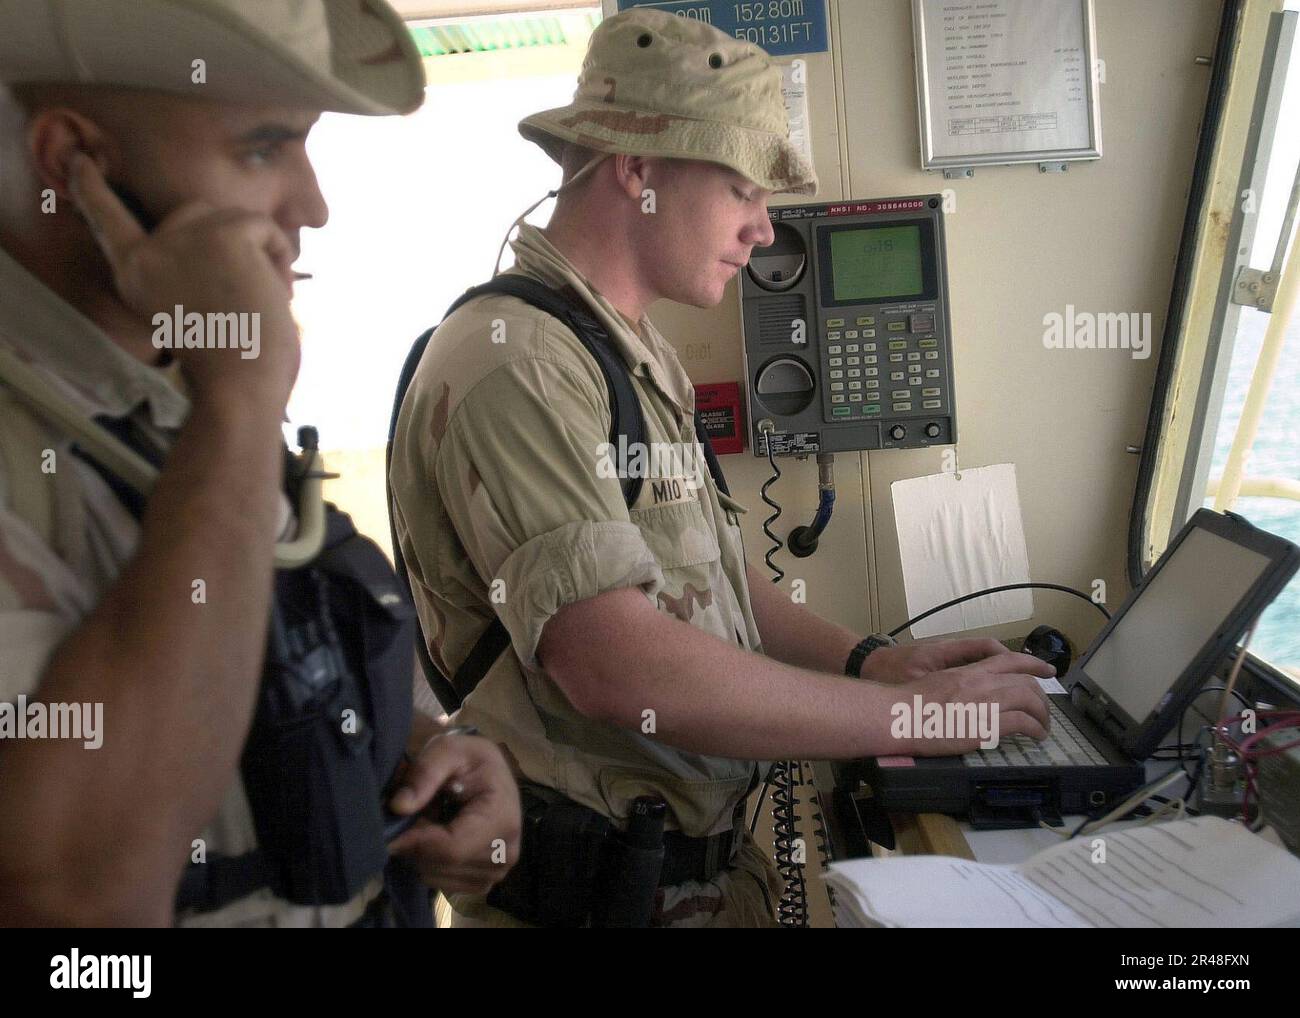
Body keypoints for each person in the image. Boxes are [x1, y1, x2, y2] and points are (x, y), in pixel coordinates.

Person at [391, 8, 1054, 928]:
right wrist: (923, 722)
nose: (762, 229)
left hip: (693, 876)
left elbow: (718, 582)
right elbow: (616, 665)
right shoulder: (521, 362)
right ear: (637, 166)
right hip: (591, 899)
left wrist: (878, 664)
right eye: (743, 188)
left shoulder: (629, 351)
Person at [0, 0, 519, 927]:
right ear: (71, 161)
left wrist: (425, 752)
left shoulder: (180, 397)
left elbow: (253, 651)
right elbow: (84, 898)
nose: (312, 204)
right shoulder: (218, 402)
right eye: (262, 148)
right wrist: (242, 404)